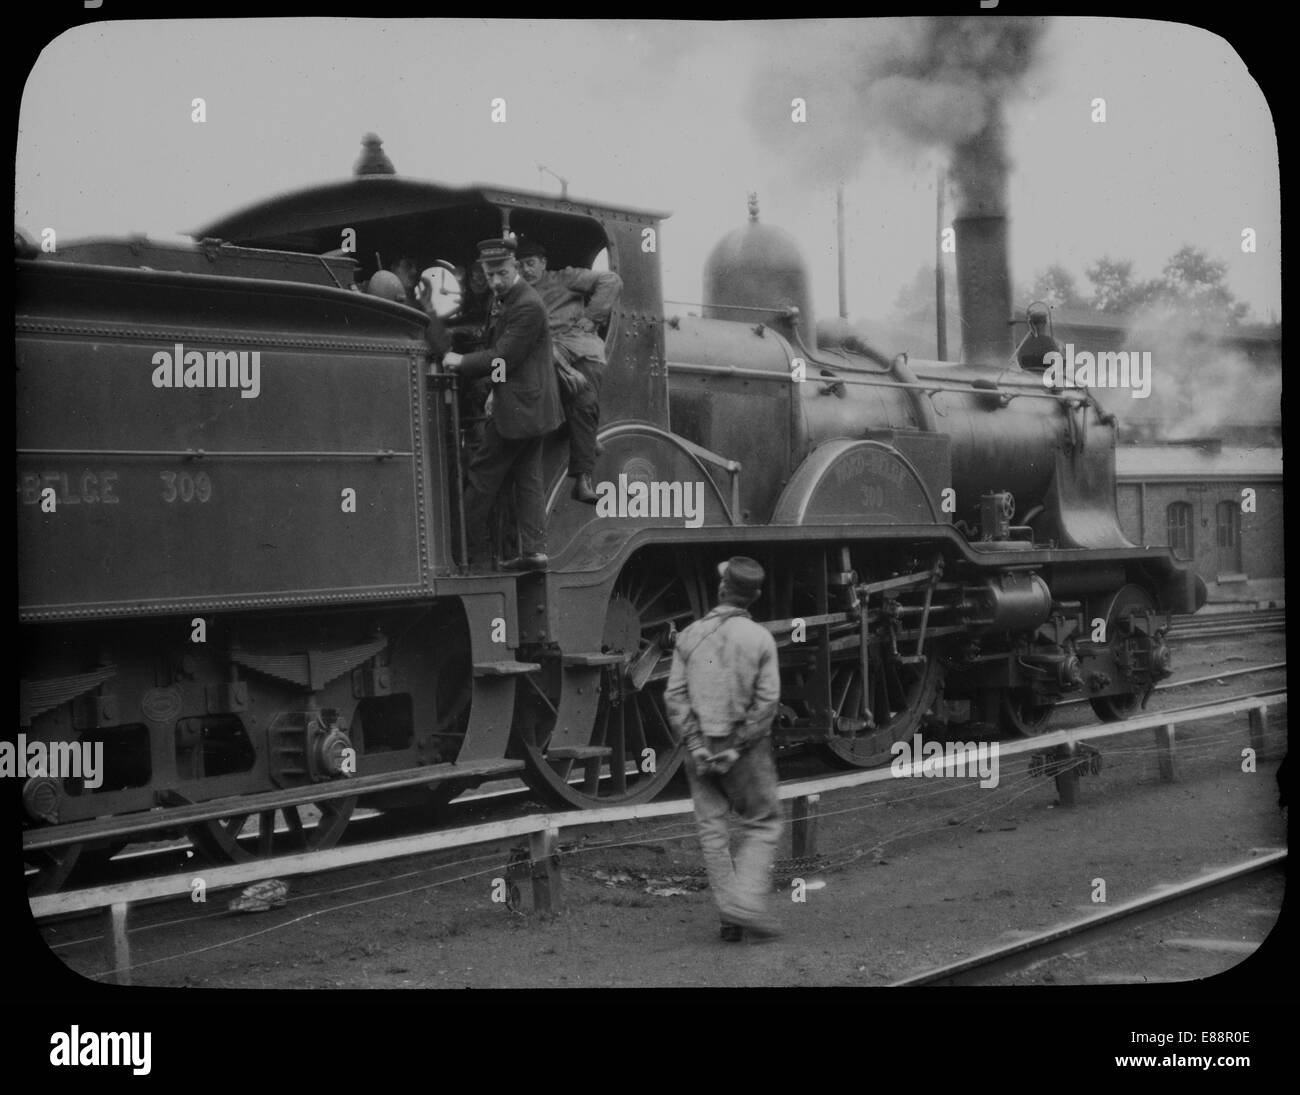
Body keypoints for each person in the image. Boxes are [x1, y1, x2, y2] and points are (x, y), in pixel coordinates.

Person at [664, 556, 784, 942]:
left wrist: (698, 745)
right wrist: (735, 747)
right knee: (763, 822)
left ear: (720, 590)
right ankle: (744, 906)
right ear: (756, 596)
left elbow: (675, 696)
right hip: (745, 751)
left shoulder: (689, 635)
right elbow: (767, 703)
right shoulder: (761, 639)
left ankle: (729, 918)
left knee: (713, 833)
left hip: (698, 752)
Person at [441, 239, 563, 571]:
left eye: (502, 273)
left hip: (522, 409)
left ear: (515, 267)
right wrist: (495, 389)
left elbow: (504, 357)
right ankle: (534, 552)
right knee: (528, 477)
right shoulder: (510, 298)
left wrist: (460, 361)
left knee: (481, 475)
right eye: (489, 274)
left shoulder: (526, 305)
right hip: (529, 404)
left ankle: (462, 554)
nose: (495, 281)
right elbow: (507, 362)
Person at [515, 240, 622, 505]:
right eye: (520, 265)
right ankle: (584, 434)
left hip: (578, 345)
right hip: (543, 354)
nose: (526, 270)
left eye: (531, 264)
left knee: (585, 400)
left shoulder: (565, 278)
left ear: (543, 263)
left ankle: (583, 478)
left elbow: (611, 280)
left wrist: (591, 318)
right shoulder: (513, 295)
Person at [1016, 301, 1065, 372]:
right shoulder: (1055, 343)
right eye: (1037, 324)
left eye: (1040, 324)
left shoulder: (1022, 344)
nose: (1038, 327)